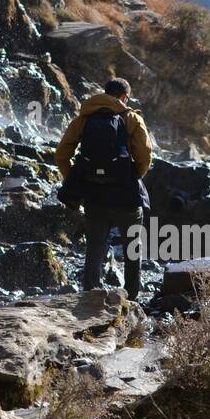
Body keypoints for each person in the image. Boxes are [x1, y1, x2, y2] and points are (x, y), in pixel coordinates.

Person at [54, 77, 154, 297]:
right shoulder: (132, 118)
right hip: (126, 196)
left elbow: (62, 154)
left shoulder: (84, 118)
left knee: (95, 248)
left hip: (94, 196)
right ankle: (132, 297)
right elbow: (145, 156)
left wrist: (75, 178)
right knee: (132, 249)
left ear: (105, 93)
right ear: (124, 97)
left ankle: (90, 295)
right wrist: (133, 176)